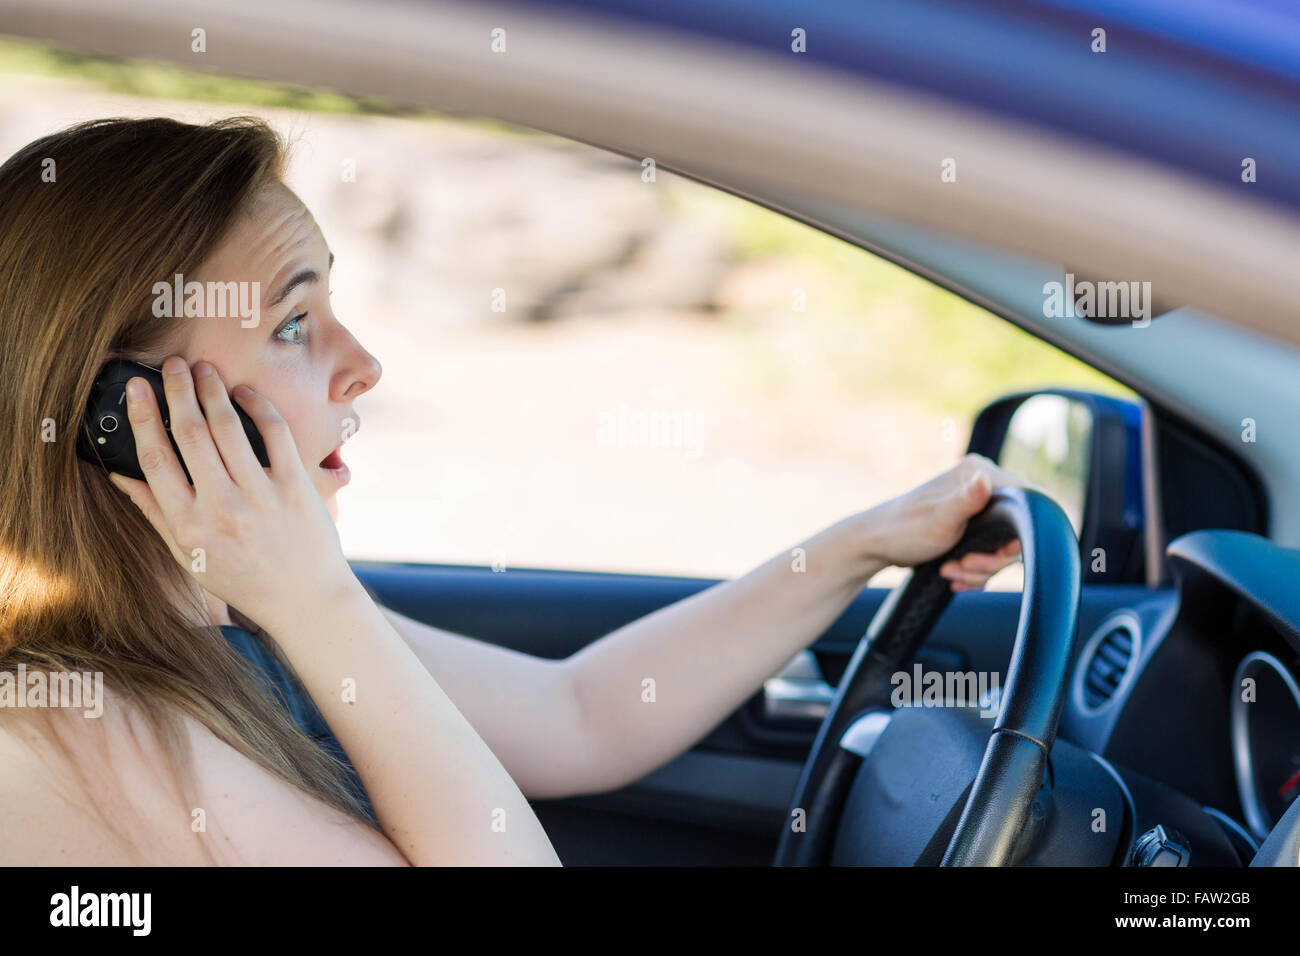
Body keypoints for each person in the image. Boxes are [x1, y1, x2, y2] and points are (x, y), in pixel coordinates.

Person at [0, 116, 1023, 865]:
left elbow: (581, 712)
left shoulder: (233, 628)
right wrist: (314, 600)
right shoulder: (78, 728)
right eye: (291, 325)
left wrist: (858, 544)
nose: (363, 366)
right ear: (115, 415)